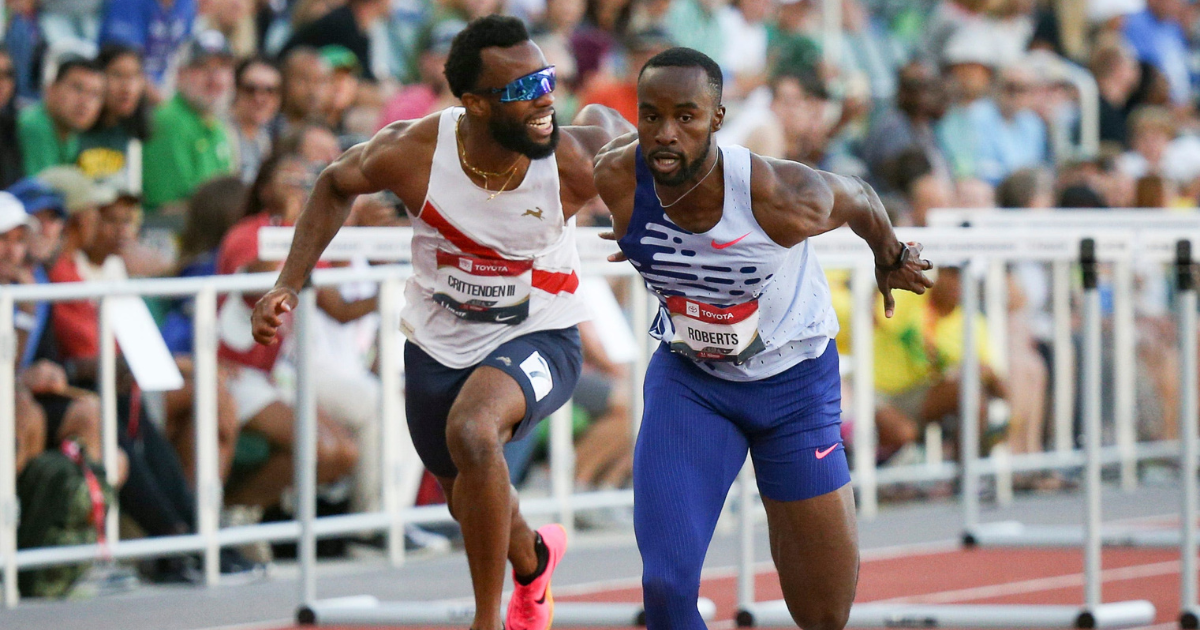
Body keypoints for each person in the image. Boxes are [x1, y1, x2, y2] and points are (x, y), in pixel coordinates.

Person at [250, 15, 631, 630]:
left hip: (540, 330)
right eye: (521, 90)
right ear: (475, 104)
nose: (543, 100)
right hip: (438, 341)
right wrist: (287, 283)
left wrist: (640, 232)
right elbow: (331, 185)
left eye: (547, 78)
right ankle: (534, 560)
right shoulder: (415, 151)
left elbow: (620, 140)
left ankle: (488, 619)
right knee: (469, 494)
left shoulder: (568, 159)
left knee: (476, 431)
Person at [591, 47, 933, 630]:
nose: (666, 134)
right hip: (692, 382)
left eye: (687, 117)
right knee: (666, 588)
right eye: (651, 117)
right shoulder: (617, 175)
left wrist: (891, 255)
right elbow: (591, 126)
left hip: (794, 385)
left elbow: (858, 195)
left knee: (822, 611)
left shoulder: (776, 194)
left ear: (718, 119)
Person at [142, 31, 237, 215]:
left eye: (223, 68)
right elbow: (168, 206)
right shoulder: (168, 121)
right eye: (202, 67)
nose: (214, 77)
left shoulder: (218, 127)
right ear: (180, 74)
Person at [17, 57, 105, 176]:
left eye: (94, 94)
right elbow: (39, 190)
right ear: (51, 89)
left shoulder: (70, 134)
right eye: (77, 89)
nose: (85, 102)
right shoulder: (34, 126)